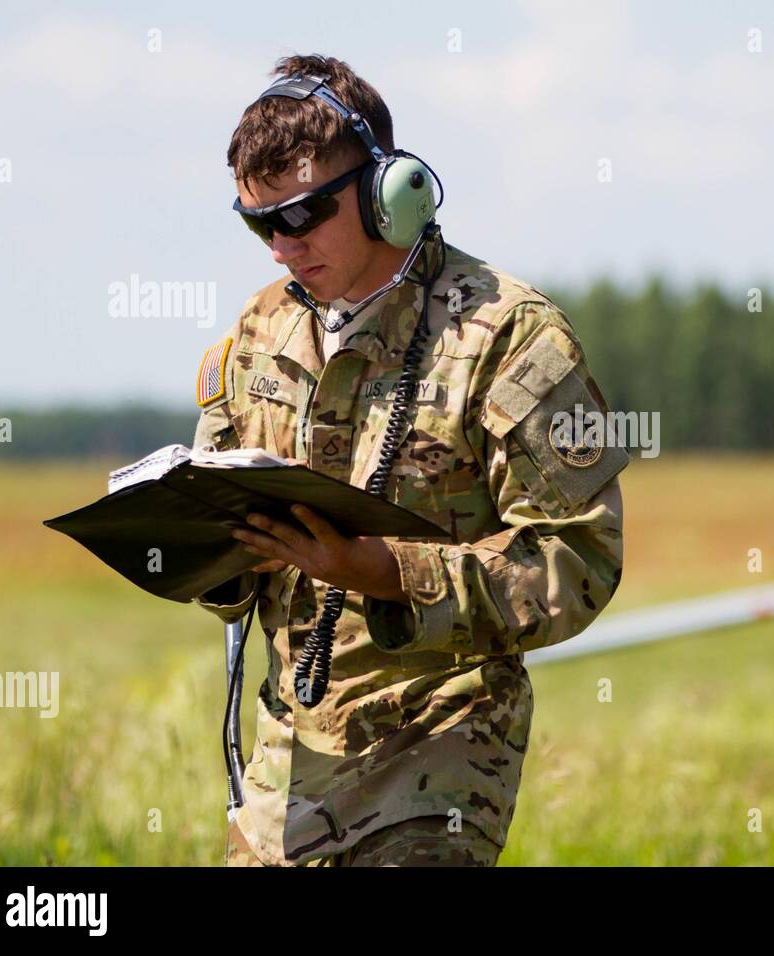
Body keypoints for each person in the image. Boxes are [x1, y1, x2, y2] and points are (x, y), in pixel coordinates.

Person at [191, 53, 628, 867]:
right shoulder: (262, 330)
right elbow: (224, 535)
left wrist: (383, 571)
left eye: (304, 214)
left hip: (443, 745)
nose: (282, 247)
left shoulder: (510, 337)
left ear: (389, 192)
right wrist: (196, 553)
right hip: (287, 766)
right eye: (260, 223)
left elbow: (579, 561)